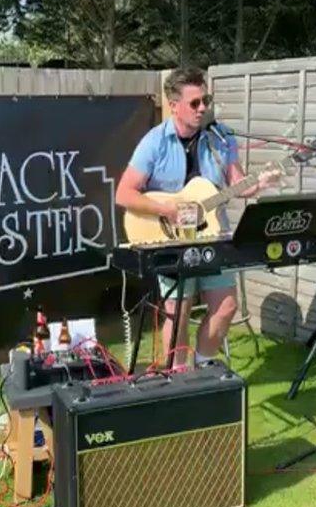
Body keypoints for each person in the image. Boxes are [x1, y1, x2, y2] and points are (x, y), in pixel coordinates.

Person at [115, 67, 279, 367]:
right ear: (174, 105)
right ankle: (178, 375)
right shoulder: (154, 142)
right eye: (195, 103)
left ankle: (203, 366)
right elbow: (124, 194)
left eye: (206, 100)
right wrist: (168, 210)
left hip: (212, 235)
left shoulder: (221, 137)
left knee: (226, 306)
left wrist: (261, 183)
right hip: (170, 238)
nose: (203, 108)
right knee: (178, 310)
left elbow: (238, 184)